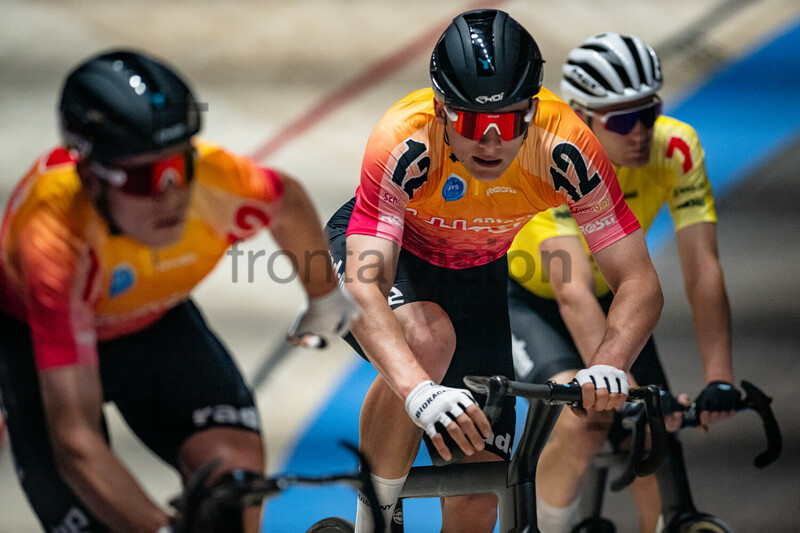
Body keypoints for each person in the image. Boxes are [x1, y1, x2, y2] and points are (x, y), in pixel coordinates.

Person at [325, 10, 664, 533]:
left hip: (477, 275)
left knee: (479, 498)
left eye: (507, 124)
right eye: (469, 124)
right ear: (440, 110)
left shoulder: (567, 148)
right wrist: (419, 392)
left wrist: (610, 363)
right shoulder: (402, 139)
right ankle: (377, 518)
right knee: (427, 342)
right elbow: (364, 285)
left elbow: (639, 281)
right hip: (397, 258)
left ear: (532, 110)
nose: (489, 143)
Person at [0, 49, 356, 533]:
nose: (170, 194)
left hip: (154, 322)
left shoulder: (218, 181)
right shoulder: (55, 238)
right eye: (145, 177)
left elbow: (288, 202)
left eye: (179, 166)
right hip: (38, 341)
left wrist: (325, 298)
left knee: (234, 492)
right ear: (89, 177)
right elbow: (75, 441)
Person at [506, 32, 740, 532]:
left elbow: (702, 267)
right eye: (622, 120)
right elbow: (571, 295)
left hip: (613, 296)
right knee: (586, 421)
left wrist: (719, 376)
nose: (640, 132)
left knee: (653, 438)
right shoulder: (554, 160)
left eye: (649, 113)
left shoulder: (676, 148)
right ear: (583, 116)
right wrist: (631, 392)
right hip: (530, 299)